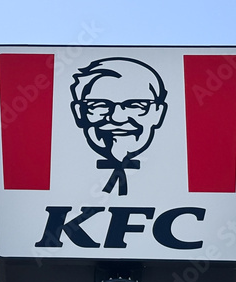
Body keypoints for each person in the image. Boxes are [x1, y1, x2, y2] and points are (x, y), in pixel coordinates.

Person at [70, 57, 168, 195]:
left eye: (135, 105)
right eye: (100, 105)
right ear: (79, 113)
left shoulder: (170, 174)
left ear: (158, 112)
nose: (117, 118)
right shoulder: (66, 172)